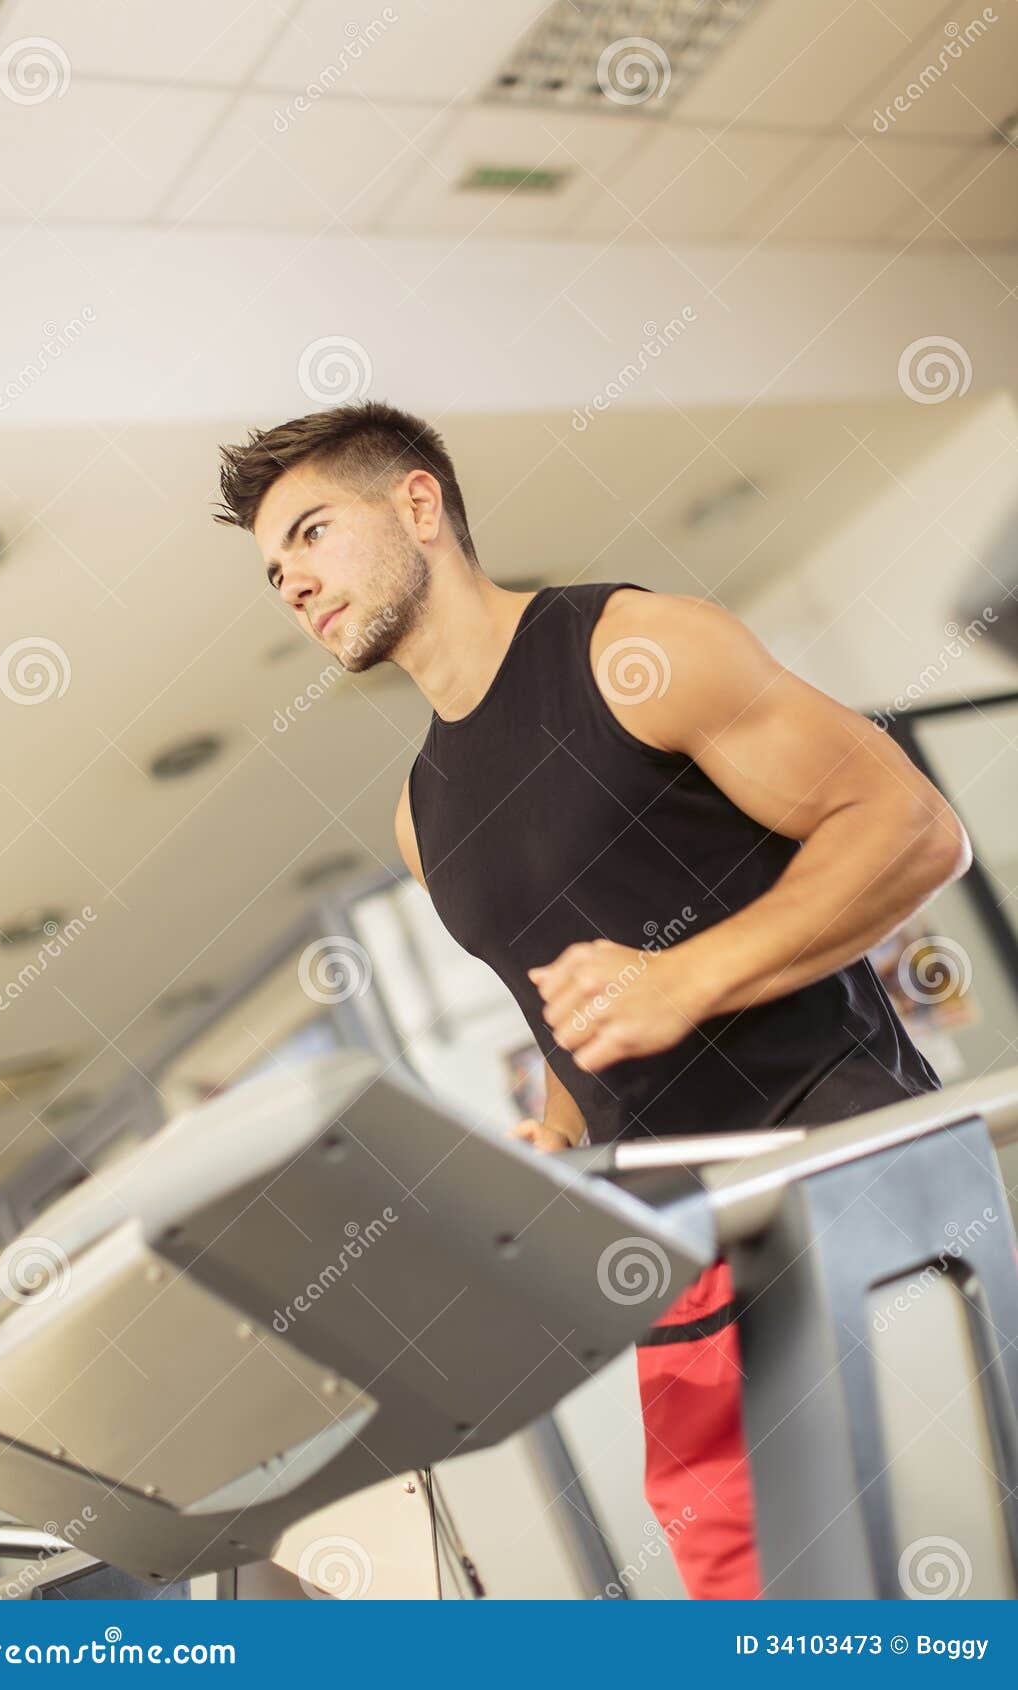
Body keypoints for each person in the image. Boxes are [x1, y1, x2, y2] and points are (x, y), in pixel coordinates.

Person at [215, 399, 970, 1600]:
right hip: (664, 1252)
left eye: (311, 533)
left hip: (837, 1166)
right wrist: (552, 1143)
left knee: (949, 1549)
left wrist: (684, 976)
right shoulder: (424, 814)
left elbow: (913, 830)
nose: (293, 581)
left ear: (419, 505)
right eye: (272, 570)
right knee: (749, 1600)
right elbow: (571, 1020)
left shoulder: (632, 648)